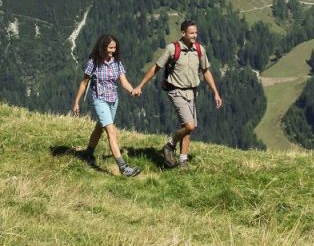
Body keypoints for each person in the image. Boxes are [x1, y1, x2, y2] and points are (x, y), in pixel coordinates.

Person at [135, 20, 223, 167]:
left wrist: (215, 93)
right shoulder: (172, 49)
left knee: (188, 127)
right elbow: (156, 68)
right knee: (189, 125)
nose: (195, 35)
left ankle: (183, 160)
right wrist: (140, 85)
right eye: (191, 33)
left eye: (196, 32)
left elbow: (206, 71)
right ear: (183, 33)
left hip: (192, 92)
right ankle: (169, 146)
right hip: (175, 90)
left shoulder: (200, 50)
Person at [70, 34, 142, 177]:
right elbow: (84, 82)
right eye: (110, 48)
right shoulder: (94, 62)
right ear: (102, 47)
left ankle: (88, 154)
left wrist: (132, 91)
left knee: (99, 128)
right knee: (111, 130)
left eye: (114, 48)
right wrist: (76, 102)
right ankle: (123, 167)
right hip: (100, 100)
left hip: (113, 100)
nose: (112, 51)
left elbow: (123, 81)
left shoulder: (116, 62)